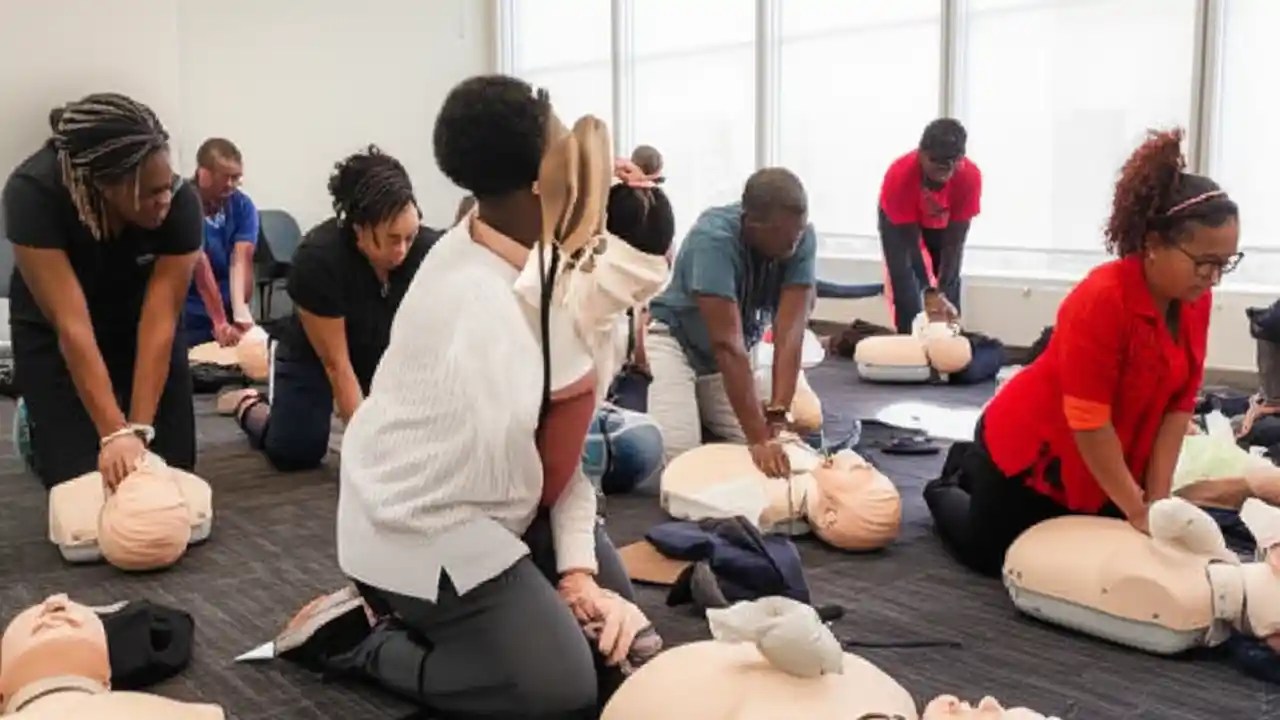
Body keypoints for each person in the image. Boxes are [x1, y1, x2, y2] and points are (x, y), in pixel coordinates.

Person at [332, 75, 670, 717]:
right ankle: (365, 640)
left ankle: (509, 623)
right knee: (560, 687)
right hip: (419, 521)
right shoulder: (481, 308)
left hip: (510, 493)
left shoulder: (525, 250)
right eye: (564, 142)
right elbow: (541, 474)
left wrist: (578, 573)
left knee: (623, 650)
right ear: (542, 181)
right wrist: (574, 579)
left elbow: (564, 454)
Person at [924, 128, 1242, 577]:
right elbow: (1090, 423)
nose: (1213, 278)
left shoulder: (1195, 301)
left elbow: (1178, 406)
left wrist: (1157, 503)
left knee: (1101, 561)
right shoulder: (1101, 299)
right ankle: (958, 472)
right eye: (1204, 263)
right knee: (996, 559)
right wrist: (1136, 510)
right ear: (1154, 244)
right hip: (1032, 451)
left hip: (1105, 462)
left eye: (1225, 264)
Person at [2, 93, 201, 490]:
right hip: (56, 327)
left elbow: (161, 320)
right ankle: (36, 427)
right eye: (150, 193)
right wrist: (113, 433)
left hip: (137, 316)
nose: (164, 200)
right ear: (106, 186)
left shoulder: (180, 202)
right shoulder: (33, 193)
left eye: (167, 186)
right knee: (84, 483)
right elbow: (71, 324)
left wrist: (138, 431)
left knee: (169, 472)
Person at [221, 146, 436, 471]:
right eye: (393, 239)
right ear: (359, 230)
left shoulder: (429, 251)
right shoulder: (318, 259)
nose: (403, 249)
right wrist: (371, 463)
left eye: (410, 236)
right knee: (295, 452)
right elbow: (337, 365)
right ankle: (249, 404)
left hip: (380, 344)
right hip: (314, 351)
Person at [647, 168, 817, 477]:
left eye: (799, 233)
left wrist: (778, 413)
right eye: (784, 237)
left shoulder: (800, 236)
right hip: (677, 344)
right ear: (751, 225)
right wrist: (759, 439)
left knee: (786, 447)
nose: (793, 244)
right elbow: (727, 345)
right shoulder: (712, 239)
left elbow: (790, 334)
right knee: (680, 464)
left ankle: (703, 410)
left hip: (724, 362)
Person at [878, 119, 982, 333]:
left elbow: (955, 243)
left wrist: (942, 293)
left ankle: (949, 338)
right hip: (900, 221)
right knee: (905, 279)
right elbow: (911, 248)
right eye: (934, 164)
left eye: (948, 166)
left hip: (942, 221)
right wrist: (929, 292)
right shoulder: (899, 176)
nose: (940, 175)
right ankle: (908, 338)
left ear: (960, 161)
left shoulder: (969, 178)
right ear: (921, 153)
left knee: (948, 280)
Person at [183, 138, 258, 347]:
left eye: (236, 178)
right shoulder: (183, 205)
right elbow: (200, 264)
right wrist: (219, 321)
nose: (231, 185)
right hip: (188, 309)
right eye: (225, 177)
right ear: (203, 174)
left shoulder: (242, 205)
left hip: (227, 304)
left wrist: (240, 313)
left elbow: (241, 258)